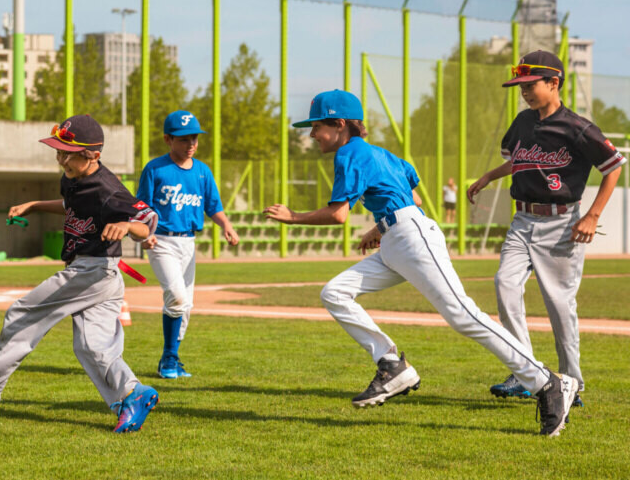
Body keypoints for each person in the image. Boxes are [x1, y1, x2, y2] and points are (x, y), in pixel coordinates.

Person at [263, 89, 578, 437]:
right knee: (335, 292)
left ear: (339, 125)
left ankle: (547, 382)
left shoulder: (349, 153)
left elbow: (338, 215)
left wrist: (294, 217)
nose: (312, 135)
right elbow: (411, 196)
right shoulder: (383, 155)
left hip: (412, 238)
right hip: (399, 238)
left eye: (317, 127)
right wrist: (380, 227)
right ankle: (391, 363)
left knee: (464, 316)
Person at [0, 115, 161, 433]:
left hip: (92, 269)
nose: (61, 158)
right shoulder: (72, 178)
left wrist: (128, 226)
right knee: (91, 346)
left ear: (93, 155)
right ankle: (132, 393)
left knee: (22, 315)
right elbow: (72, 205)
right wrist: (35, 205)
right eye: (58, 150)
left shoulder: (109, 189)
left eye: (67, 153)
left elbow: (147, 220)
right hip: (99, 274)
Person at [469, 50, 624, 408]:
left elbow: (613, 166)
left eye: (530, 84)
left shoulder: (578, 127)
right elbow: (519, 161)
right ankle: (527, 373)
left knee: (558, 305)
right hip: (522, 220)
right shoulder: (523, 122)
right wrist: (490, 176)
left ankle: (572, 382)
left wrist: (593, 216)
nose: (524, 91)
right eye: (521, 85)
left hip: (561, 224)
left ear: (554, 83)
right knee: (504, 285)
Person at [137, 110, 239, 379]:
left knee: (186, 305)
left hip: (189, 242)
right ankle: (170, 359)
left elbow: (213, 206)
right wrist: (144, 234)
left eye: (194, 138)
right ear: (168, 139)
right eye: (183, 139)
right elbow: (141, 207)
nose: (191, 143)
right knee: (177, 297)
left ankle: (170, 357)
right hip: (162, 241)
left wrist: (226, 225)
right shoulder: (155, 169)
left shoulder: (202, 172)